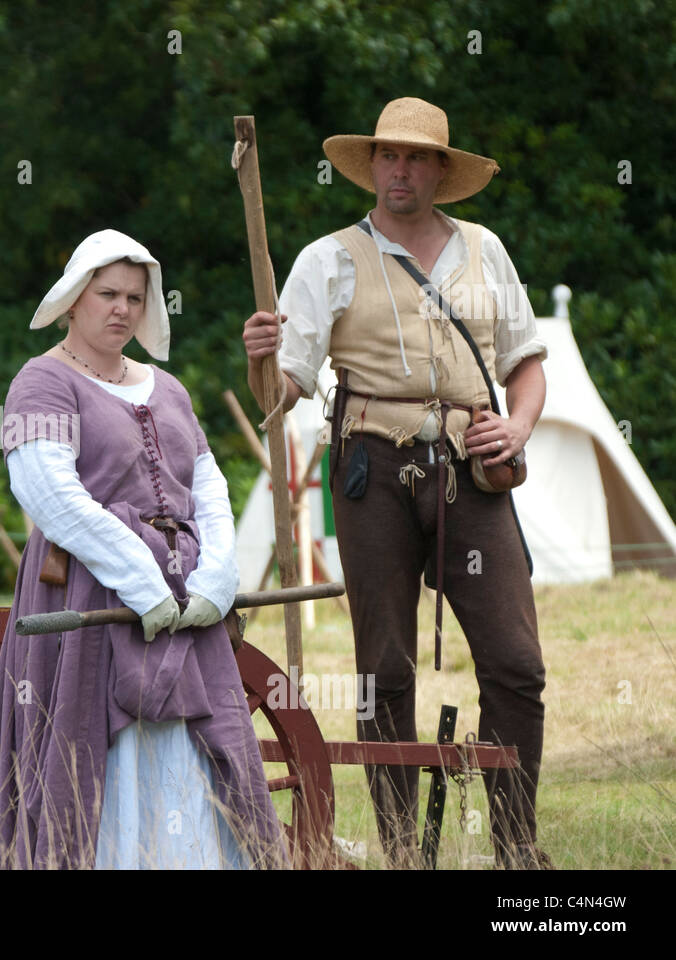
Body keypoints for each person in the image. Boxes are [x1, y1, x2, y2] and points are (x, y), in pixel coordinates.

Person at [242, 97, 550, 869]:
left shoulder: (485, 250)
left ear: (441, 170)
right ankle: (404, 852)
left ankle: (516, 848)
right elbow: (280, 396)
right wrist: (258, 359)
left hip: (472, 475)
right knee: (383, 669)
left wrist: (515, 428)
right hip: (371, 470)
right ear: (370, 165)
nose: (400, 169)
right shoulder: (329, 259)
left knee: (517, 663)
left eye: (416, 157)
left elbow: (527, 367)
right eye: (387, 155)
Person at [0, 229, 285, 869]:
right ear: (74, 299)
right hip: (87, 593)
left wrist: (216, 576)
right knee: (92, 737)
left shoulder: (169, 388)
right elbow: (48, 492)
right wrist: (139, 577)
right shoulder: (41, 381)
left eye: (135, 296)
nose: (121, 309)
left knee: (202, 733)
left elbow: (207, 487)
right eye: (107, 294)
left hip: (185, 602)